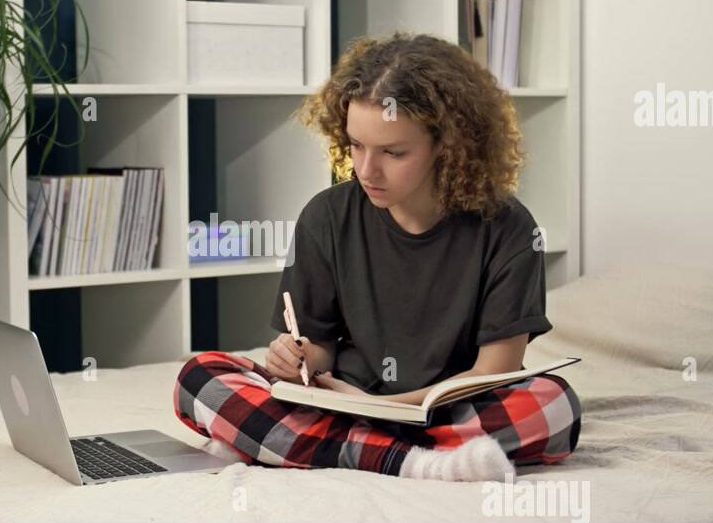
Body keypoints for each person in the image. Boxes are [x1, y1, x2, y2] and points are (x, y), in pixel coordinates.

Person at [173, 32, 581, 482]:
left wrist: (379, 409)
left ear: (447, 145)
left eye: (393, 152)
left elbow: (494, 372)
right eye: (355, 145)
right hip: (346, 400)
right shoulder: (326, 216)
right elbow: (321, 350)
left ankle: (295, 446)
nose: (366, 170)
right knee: (201, 377)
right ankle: (418, 463)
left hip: (445, 406)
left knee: (553, 404)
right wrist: (298, 358)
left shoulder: (509, 228)